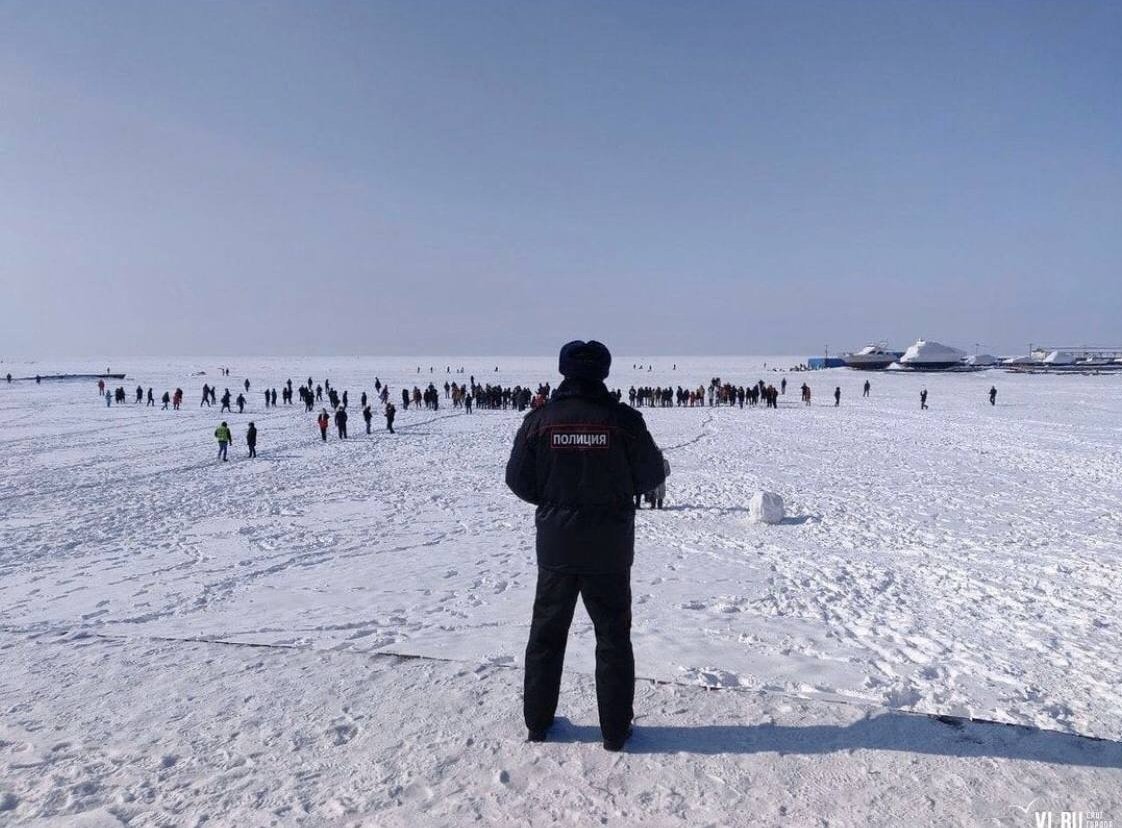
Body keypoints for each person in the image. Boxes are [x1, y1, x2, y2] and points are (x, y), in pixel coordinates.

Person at [505, 340, 666, 752]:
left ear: (563, 370)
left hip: (557, 547)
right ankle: (615, 731)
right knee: (613, 638)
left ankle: (537, 724)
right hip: (609, 548)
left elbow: (518, 480)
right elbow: (649, 475)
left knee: (546, 635)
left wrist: (556, 499)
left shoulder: (540, 420)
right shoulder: (624, 420)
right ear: (604, 372)